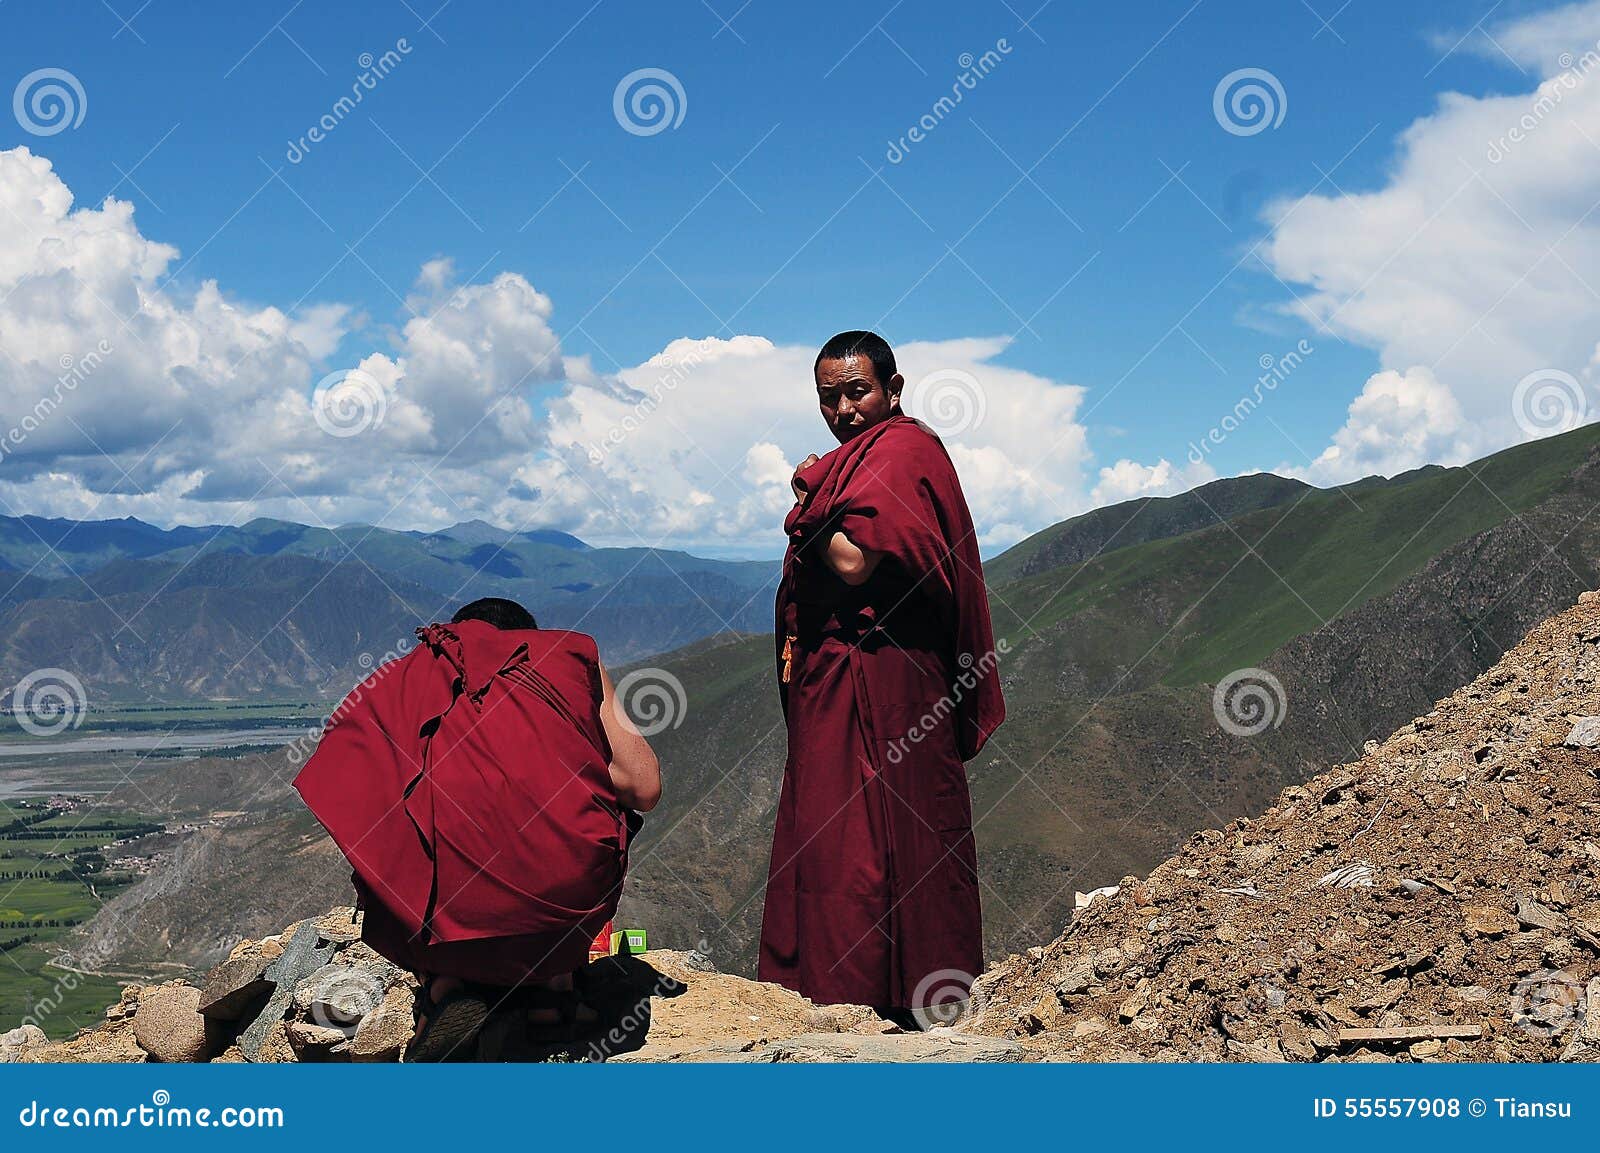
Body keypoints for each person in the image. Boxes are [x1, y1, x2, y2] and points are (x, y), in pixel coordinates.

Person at [758, 331, 1005, 1026]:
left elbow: (856, 560)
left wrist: (803, 504)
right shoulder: (848, 462)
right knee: (834, 841)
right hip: (834, 679)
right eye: (829, 397)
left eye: (857, 391)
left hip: (898, 678)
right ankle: (839, 993)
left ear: (893, 390)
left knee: (911, 832)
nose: (844, 410)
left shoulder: (905, 451)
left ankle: (924, 996)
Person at [293, 597, 660, 1060]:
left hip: (440, 921)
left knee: (393, 826)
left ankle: (445, 986)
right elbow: (642, 787)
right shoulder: (569, 656)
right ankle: (553, 988)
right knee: (616, 815)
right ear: (529, 634)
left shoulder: (409, 672)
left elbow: (345, 785)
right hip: (556, 906)